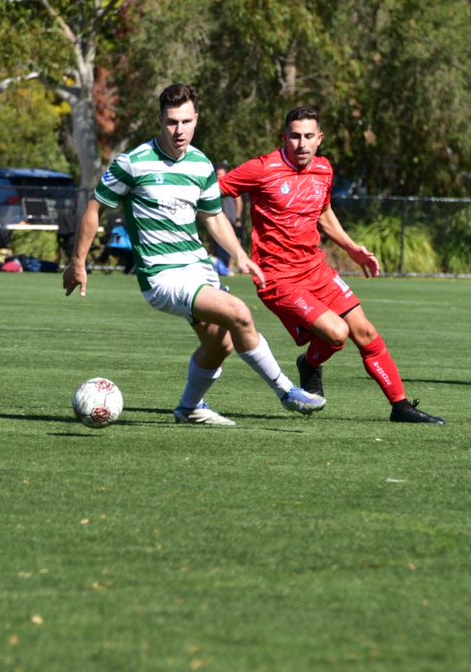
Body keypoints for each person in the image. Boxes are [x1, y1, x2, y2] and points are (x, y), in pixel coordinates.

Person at [62, 83, 326, 426]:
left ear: (196, 120)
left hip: (198, 269)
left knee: (220, 345)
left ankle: (189, 408)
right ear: (160, 120)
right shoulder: (133, 163)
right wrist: (78, 262)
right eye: (172, 122)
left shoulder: (201, 164)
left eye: (186, 121)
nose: (179, 130)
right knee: (239, 313)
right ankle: (287, 392)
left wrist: (238, 254)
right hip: (162, 275)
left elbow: (214, 216)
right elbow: (95, 206)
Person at [219, 107, 445, 425]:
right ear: (284, 137)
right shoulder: (262, 169)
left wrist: (353, 249)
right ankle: (311, 364)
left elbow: (324, 215)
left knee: (365, 331)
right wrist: (232, 248)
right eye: (295, 136)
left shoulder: (324, 170)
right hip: (278, 277)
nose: (301, 143)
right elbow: (212, 195)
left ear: (319, 139)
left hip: (316, 269)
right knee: (337, 333)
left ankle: (401, 406)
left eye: (309, 136)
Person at [210, 162, 244, 275]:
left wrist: (238, 218)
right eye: (217, 174)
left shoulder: (231, 185)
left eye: (221, 174)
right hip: (219, 221)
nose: (219, 176)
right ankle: (220, 268)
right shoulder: (214, 187)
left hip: (231, 220)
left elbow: (239, 201)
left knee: (232, 244)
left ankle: (229, 267)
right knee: (218, 244)